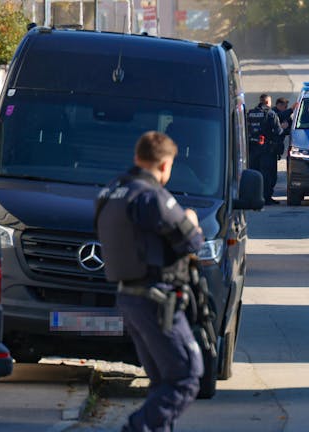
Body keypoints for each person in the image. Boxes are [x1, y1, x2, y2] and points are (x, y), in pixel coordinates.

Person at [95, 131, 205, 432]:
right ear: (165, 165)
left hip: (128, 298)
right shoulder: (152, 196)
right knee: (186, 376)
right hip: (156, 301)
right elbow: (191, 241)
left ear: (136, 157)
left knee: (162, 382)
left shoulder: (110, 193)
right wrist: (193, 220)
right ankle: (136, 428)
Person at [247, 94, 283, 205]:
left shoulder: (250, 114)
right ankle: (266, 198)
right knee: (268, 175)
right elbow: (278, 132)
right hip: (267, 151)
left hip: (252, 150)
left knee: (254, 173)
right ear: (268, 102)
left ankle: (253, 197)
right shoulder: (271, 114)